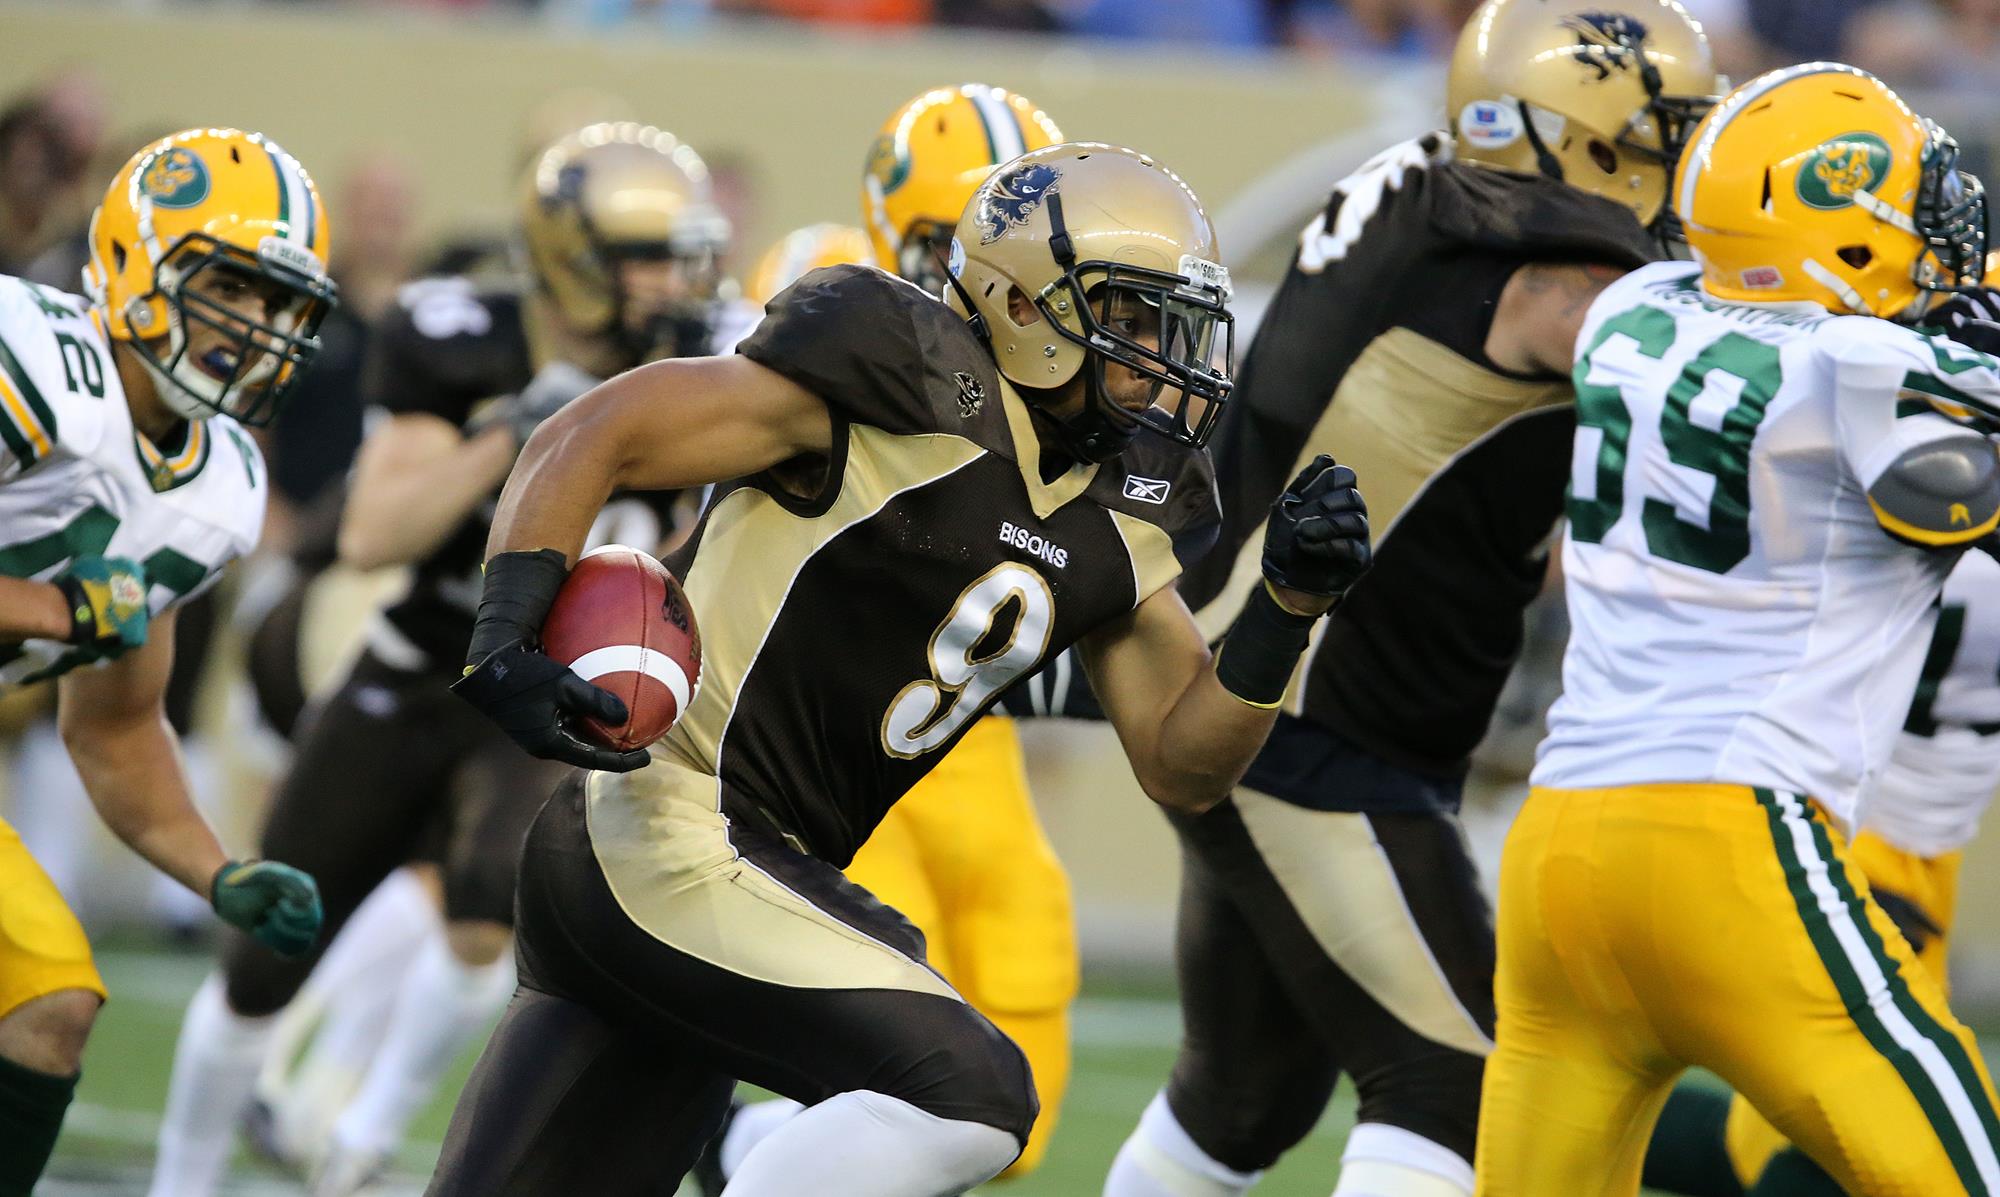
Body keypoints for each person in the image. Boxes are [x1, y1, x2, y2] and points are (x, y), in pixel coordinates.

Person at [433, 141, 1368, 1197]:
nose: (1159, 354)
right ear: (1024, 306)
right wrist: (505, 629)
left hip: (740, 880)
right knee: (969, 1096)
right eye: (1132, 318)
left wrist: (1285, 613)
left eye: (1171, 325)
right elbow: (600, 429)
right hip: (663, 828)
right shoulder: (895, 367)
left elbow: (1180, 760)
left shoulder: (1130, 500)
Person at [1101, 4, 1715, 1195]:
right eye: (1662, 130)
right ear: (1582, 138)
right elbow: (1688, 378)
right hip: (1305, 728)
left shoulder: (1438, 188)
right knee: (1459, 1085)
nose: (1680, 155)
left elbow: (1463, 480)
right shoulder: (1556, 277)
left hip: (1256, 679)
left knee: (1242, 1101)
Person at [145, 121, 738, 1197]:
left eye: (685, 254)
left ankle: (357, 1140)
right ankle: (179, 1183)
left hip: (546, 699)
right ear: (569, 258)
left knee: (480, 922)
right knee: (262, 962)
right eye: (648, 255)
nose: (677, 282)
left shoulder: (702, 366)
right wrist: (512, 432)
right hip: (414, 669)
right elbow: (375, 535)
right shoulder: (456, 333)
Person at [1476, 61, 2000, 1195]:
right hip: (1728, 843)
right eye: (1905, 212)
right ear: (1840, 235)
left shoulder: (1626, 311)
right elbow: (1905, 408)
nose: (1931, 235)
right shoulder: (1866, 363)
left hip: (1556, 854)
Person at [703, 83, 1082, 1190]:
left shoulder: (1074, 366)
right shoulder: (827, 308)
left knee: (1025, 973)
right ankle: (731, 1149)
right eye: (955, 237)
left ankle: (733, 1149)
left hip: (961, 728)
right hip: (833, 726)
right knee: (893, 1027)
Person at [0, 126, 333, 1195]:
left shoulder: (216, 491)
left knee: (46, 1004)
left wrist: (215, 871)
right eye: (234, 285)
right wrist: (47, 604)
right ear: (138, 261)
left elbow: (114, 723)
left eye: (286, 306)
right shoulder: (32, 358)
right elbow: (71, 618)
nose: (261, 328)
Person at [1642, 543, 2000, 1197]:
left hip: (1923, 857)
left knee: (1806, 1140)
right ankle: (1454, 1105)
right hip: (1845, 839)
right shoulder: (1894, 475)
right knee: (1881, 1146)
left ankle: (1463, 1104)